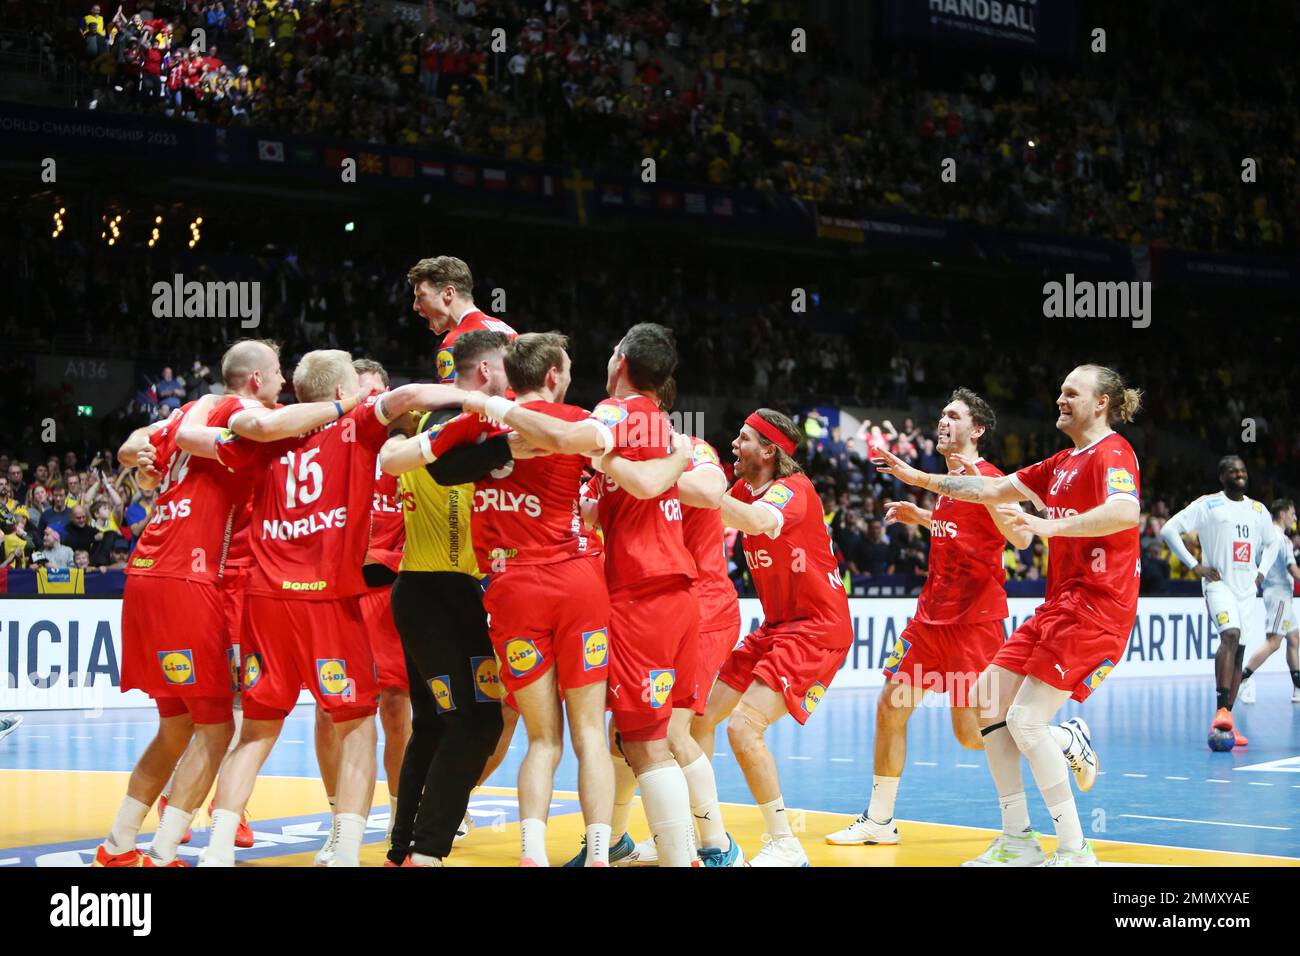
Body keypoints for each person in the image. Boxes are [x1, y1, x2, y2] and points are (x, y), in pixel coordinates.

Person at [94, 339, 371, 868]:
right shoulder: (245, 413)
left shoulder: (194, 410)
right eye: (277, 375)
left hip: (152, 571)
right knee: (220, 723)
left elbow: (137, 442)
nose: (284, 384)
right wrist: (346, 404)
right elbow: (266, 428)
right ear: (254, 381)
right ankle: (166, 845)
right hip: (192, 577)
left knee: (179, 724)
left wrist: (144, 451)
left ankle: (119, 844)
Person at [184, 350, 463, 868]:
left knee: (258, 730)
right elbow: (409, 397)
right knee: (357, 723)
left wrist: (202, 408)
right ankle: (348, 849)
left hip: (265, 598)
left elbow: (194, 440)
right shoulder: (354, 423)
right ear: (344, 392)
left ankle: (217, 848)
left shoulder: (267, 431)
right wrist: (476, 399)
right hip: (328, 597)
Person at [875, 363, 1143, 866]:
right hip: (1059, 605)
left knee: (1024, 718)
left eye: (1071, 393)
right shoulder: (1061, 461)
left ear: (1101, 402)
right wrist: (917, 477)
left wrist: (1048, 527)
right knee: (987, 703)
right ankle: (1018, 837)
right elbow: (987, 491)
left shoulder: (1114, 453)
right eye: (1059, 391)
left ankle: (1074, 849)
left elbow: (1126, 513)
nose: (1060, 399)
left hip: (1100, 607)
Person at [463, 323, 710, 867]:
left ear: (619, 359)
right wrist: (674, 457)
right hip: (661, 590)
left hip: (623, 590)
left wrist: (495, 417)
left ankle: (685, 854)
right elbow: (706, 489)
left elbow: (594, 455)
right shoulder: (663, 425)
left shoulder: (606, 415)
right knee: (623, 736)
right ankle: (615, 850)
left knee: (623, 740)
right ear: (554, 376)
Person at [424, 332, 615, 866]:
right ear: (553, 376)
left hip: (511, 588)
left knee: (541, 738)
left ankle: (532, 855)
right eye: (569, 368)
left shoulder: (481, 421)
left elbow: (422, 459)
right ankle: (598, 856)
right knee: (588, 736)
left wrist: (492, 409)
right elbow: (595, 443)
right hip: (576, 582)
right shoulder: (577, 416)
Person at [827, 388, 1035, 848]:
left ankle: (1055, 739)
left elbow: (1019, 539)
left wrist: (1000, 510)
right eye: (941, 414)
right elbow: (960, 527)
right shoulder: (947, 486)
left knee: (971, 733)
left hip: (973, 624)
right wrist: (922, 516)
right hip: (929, 621)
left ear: (976, 430)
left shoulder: (989, 478)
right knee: (890, 706)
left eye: (954, 416)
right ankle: (879, 821)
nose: (943, 421)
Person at [684, 408, 853, 866]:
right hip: (776, 627)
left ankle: (785, 844)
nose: (733, 446)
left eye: (743, 439)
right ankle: (699, 833)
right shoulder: (741, 488)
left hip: (818, 628)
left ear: (769, 450)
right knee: (698, 719)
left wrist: (703, 490)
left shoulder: (792, 490)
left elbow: (755, 521)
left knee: (743, 726)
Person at [373, 331, 517, 867]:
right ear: (484, 372)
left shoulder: (442, 425)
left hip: (433, 592)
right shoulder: (451, 427)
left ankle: (401, 848)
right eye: (505, 368)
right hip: (437, 595)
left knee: (434, 724)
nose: (511, 377)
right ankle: (427, 850)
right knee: (477, 724)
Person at [311, 359, 413, 863]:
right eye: (360, 394)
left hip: (387, 596)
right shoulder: (326, 451)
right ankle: (339, 823)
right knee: (331, 712)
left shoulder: (400, 452)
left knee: (396, 710)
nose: (367, 404)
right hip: (333, 594)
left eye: (376, 395)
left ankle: (400, 823)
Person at [1160, 456, 1279, 745]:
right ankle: (1221, 710)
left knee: (1239, 651)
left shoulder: (1258, 509)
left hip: (1247, 590)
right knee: (1230, 635)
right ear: (1222, 477)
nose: (1239, 474)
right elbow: (1168, 530)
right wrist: (1194, 565)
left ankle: (1226, 719)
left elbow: (1273, 541)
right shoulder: (1208, 504)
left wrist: (1262, 572)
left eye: (1242, 470)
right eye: (1232, 471)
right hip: (1219, 586)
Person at [407, 256, 517, 383]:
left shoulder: (457, 341)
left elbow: (452, 401)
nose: (415, 306)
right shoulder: (507, 329)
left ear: (448, 293)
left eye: (421, 296)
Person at [1236, 500, 1299, 706]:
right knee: (1274, 642)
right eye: (1292, 513)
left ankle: (1298, 688)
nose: (1295, 518)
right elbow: (1293, 571)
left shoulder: (1263, 537)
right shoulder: (1282, 540)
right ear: (1282, 514)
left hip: (1277, 595)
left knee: (1294, 638)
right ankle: (1242, 679)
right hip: (1279, 596)